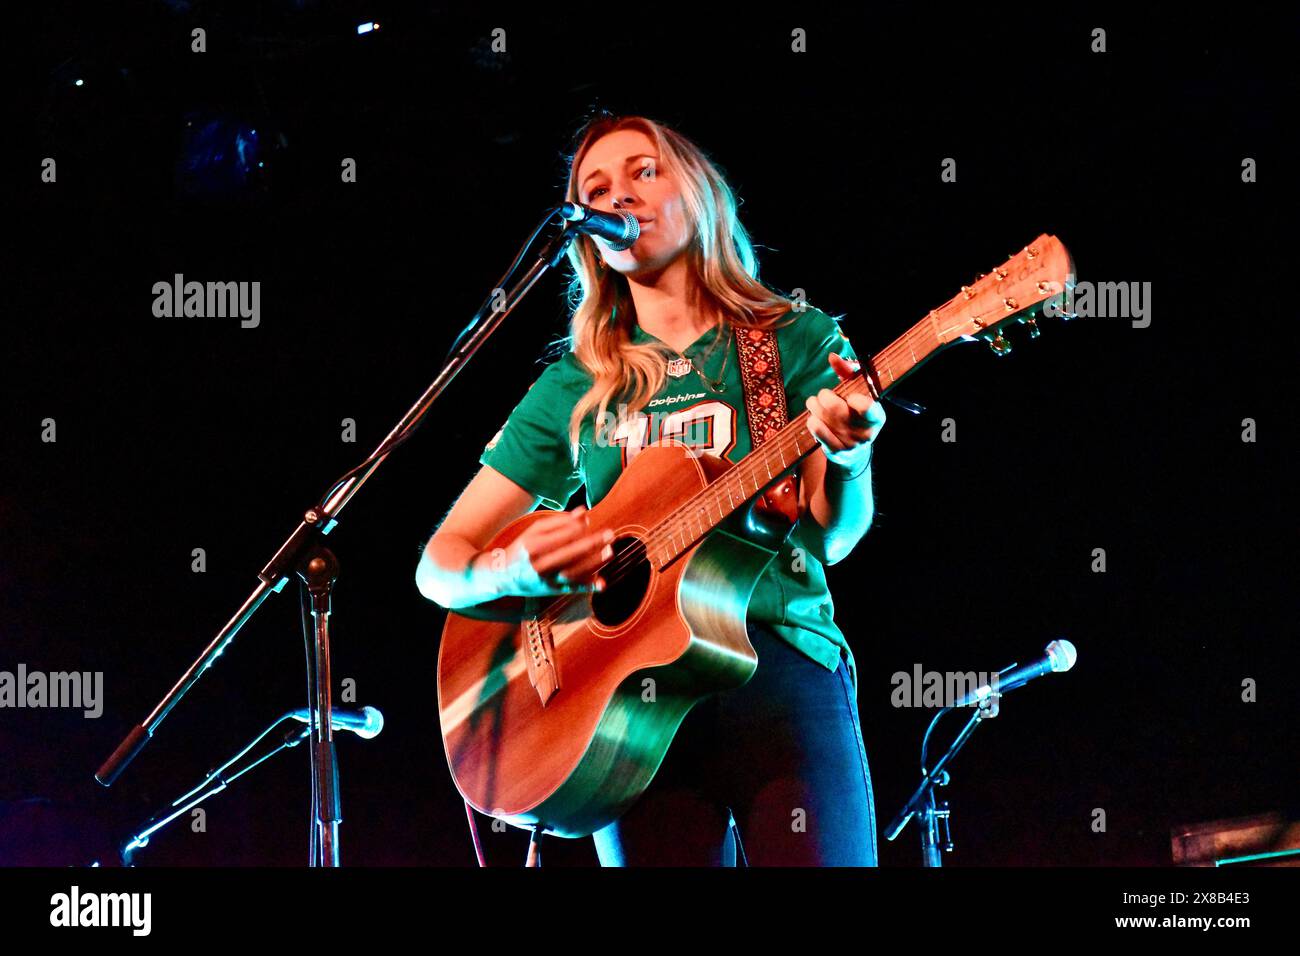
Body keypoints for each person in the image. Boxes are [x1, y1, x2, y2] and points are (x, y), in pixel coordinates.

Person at [416, 112, 885, 866]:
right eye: (595, 188)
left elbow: (831, 537)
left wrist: (853, 456)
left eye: (644, 171)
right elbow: (439, 565)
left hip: (779, 666)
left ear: (698, 194)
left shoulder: (792, 338)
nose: (618, 195)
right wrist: (513, 570)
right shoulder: (575, 384)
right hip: (626, 706)